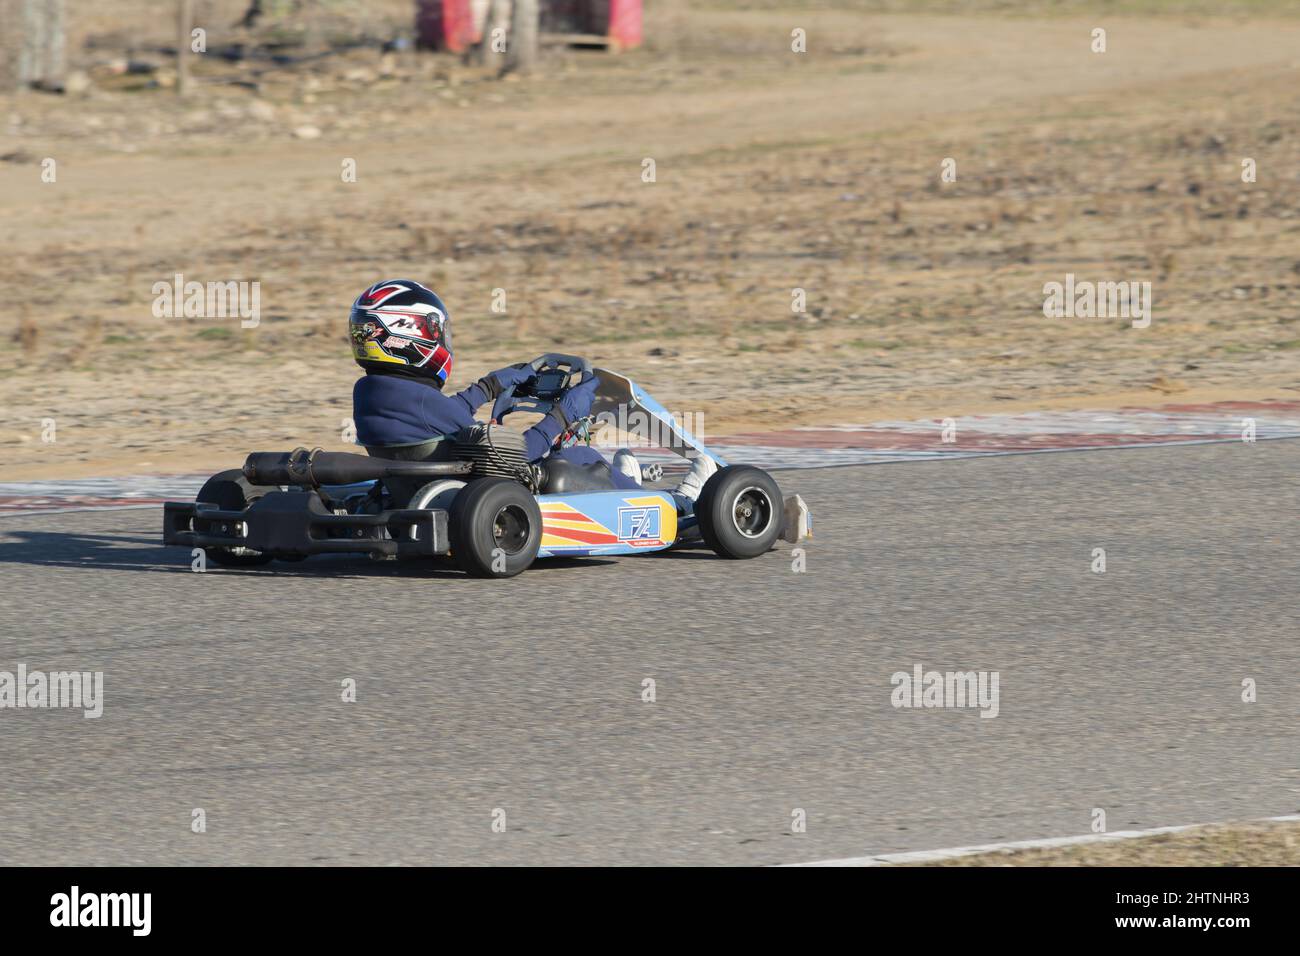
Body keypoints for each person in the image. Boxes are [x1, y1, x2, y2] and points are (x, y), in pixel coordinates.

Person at [348, 279, 716, 499]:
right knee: (574, 460)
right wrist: (563, 415)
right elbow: (516, 454)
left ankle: (627, 484)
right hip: (482, 488)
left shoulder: (375, 391)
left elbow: (445, 420)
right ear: (411, 336)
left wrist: (490, 386)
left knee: (576, 459)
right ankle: (675, 506)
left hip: (428, 485)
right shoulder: (416, 398)